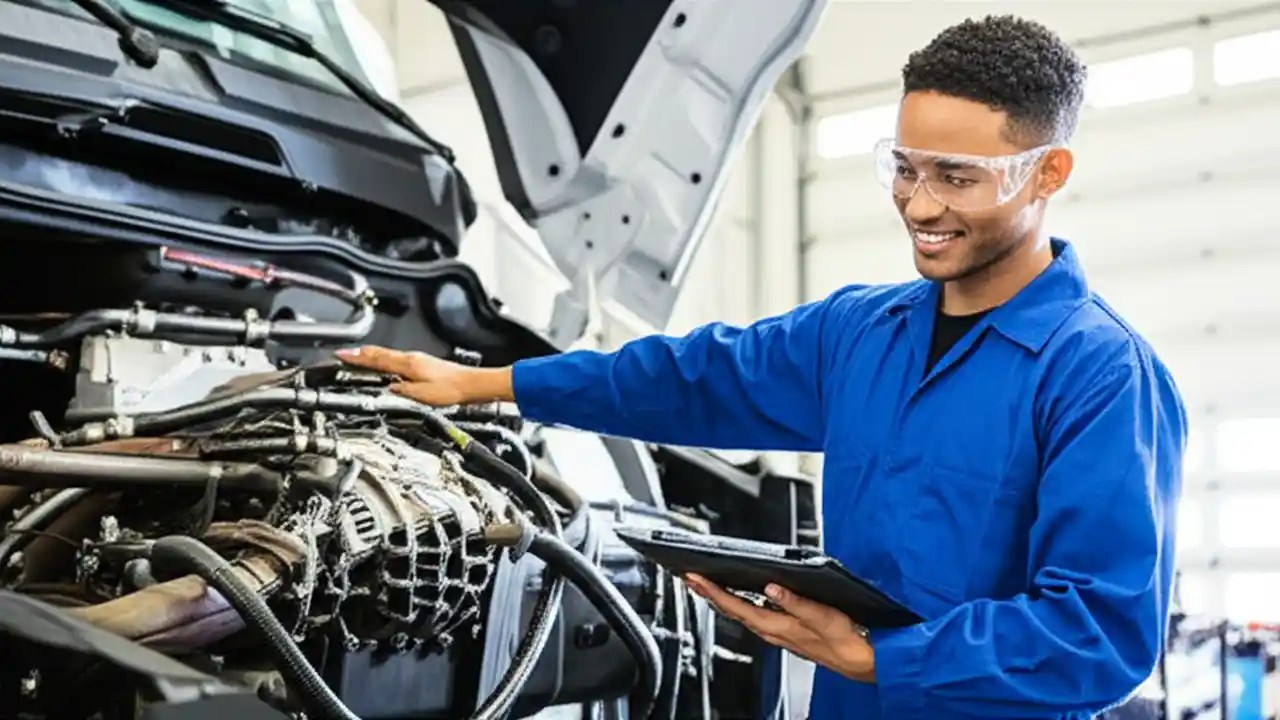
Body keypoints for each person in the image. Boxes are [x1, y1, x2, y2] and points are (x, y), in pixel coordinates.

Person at [337, 14, 1187, 720]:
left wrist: (879, 657)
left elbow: (1100, 633)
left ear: (1049, 173)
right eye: (903, 167)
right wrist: (491, 384)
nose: (920, 206)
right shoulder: (860, 333)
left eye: (958, 179)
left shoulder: (1102, 377)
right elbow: (687, 379)